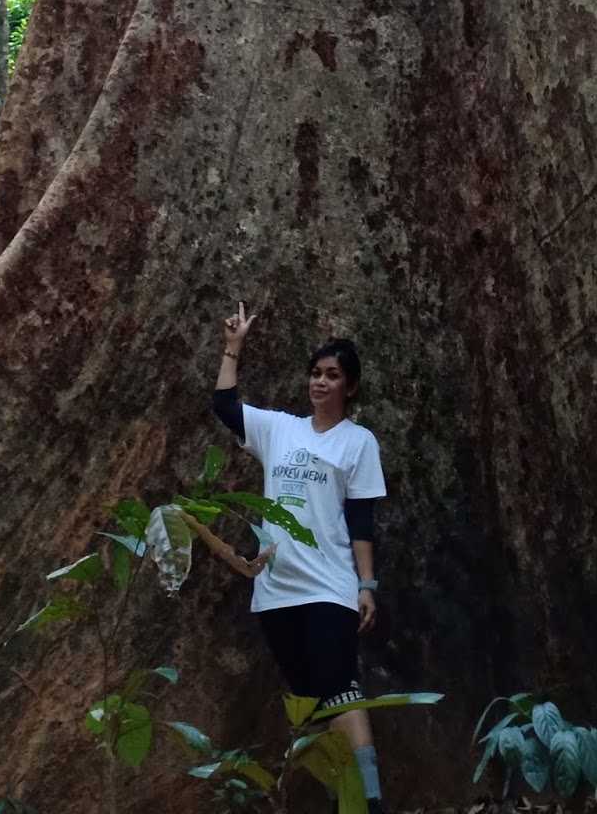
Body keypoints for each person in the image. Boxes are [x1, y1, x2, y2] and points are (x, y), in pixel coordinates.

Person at [213, 303, 388, 814]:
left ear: (350, 387)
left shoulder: (358, 442)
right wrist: (233, 347)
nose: (320, 382)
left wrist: (367, 585)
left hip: (329, 587)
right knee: (311, 702)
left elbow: (361, 520)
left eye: (332, 375)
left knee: (341, 691)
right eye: (315, 373)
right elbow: (225, 406)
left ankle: (369, 803)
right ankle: (342, 801)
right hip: (276, 591)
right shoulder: (279, 430)